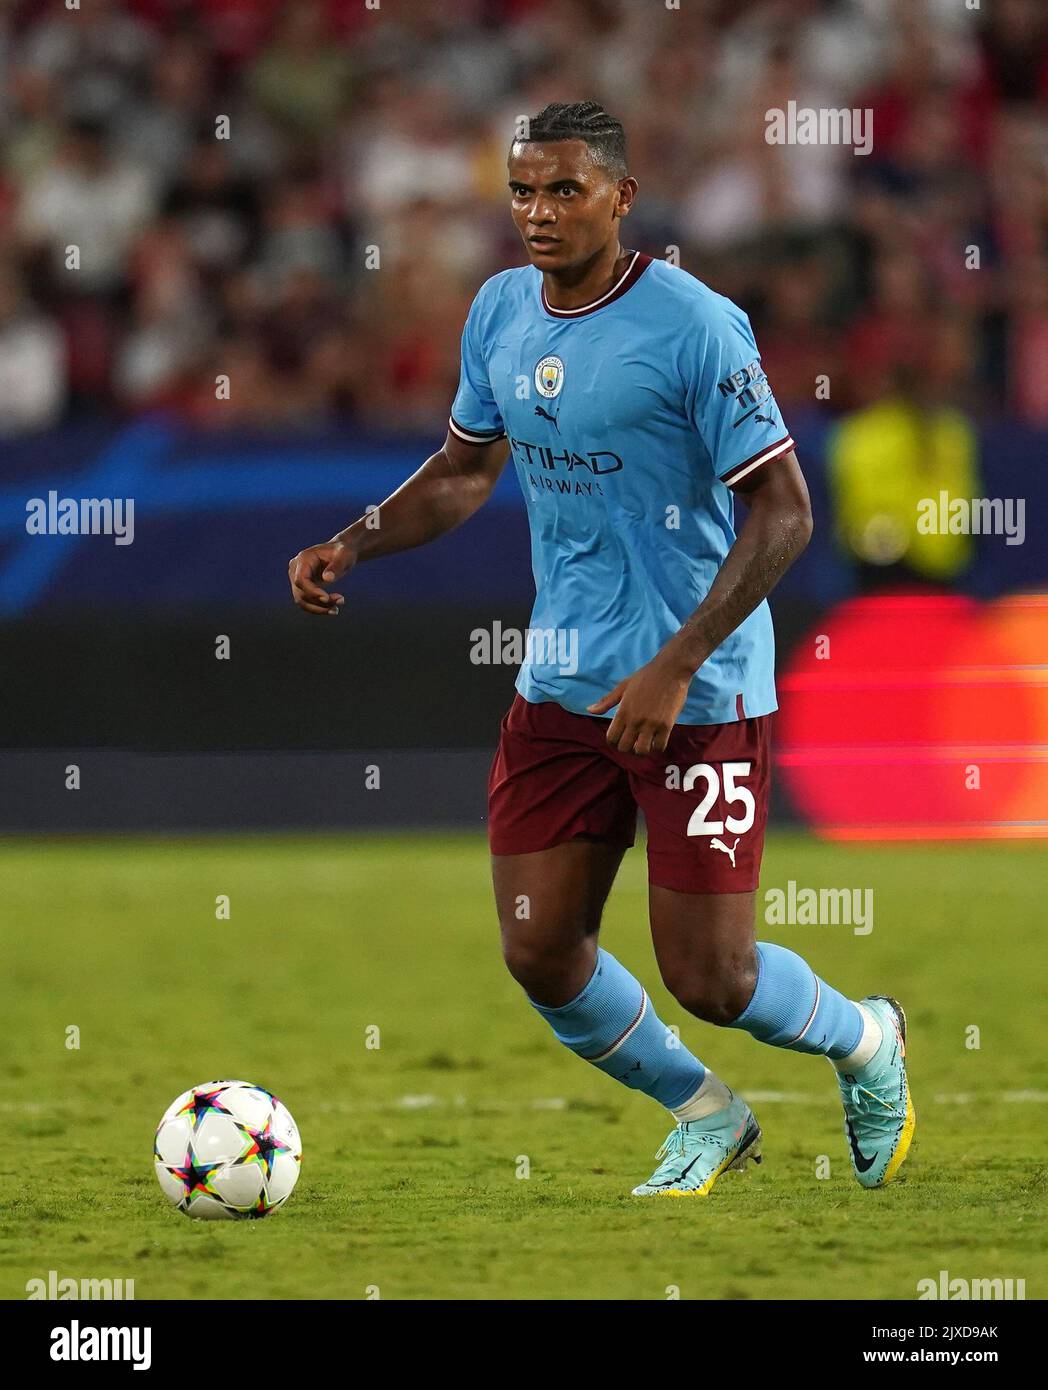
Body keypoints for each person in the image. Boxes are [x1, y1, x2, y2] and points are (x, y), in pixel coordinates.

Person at [289, 101, 914, 1197]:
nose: (537, 212)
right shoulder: (498, 312)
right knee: (539, 949)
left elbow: (784, 512)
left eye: (564, 189)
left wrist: (677, 661)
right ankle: (705, 1111)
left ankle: (866, 1039)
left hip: (699, 691)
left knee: (711, 979)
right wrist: (354, 540)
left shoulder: (697, 327)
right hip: (561, 684)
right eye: (523, 190)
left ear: (621, 198)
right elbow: (461, 471)